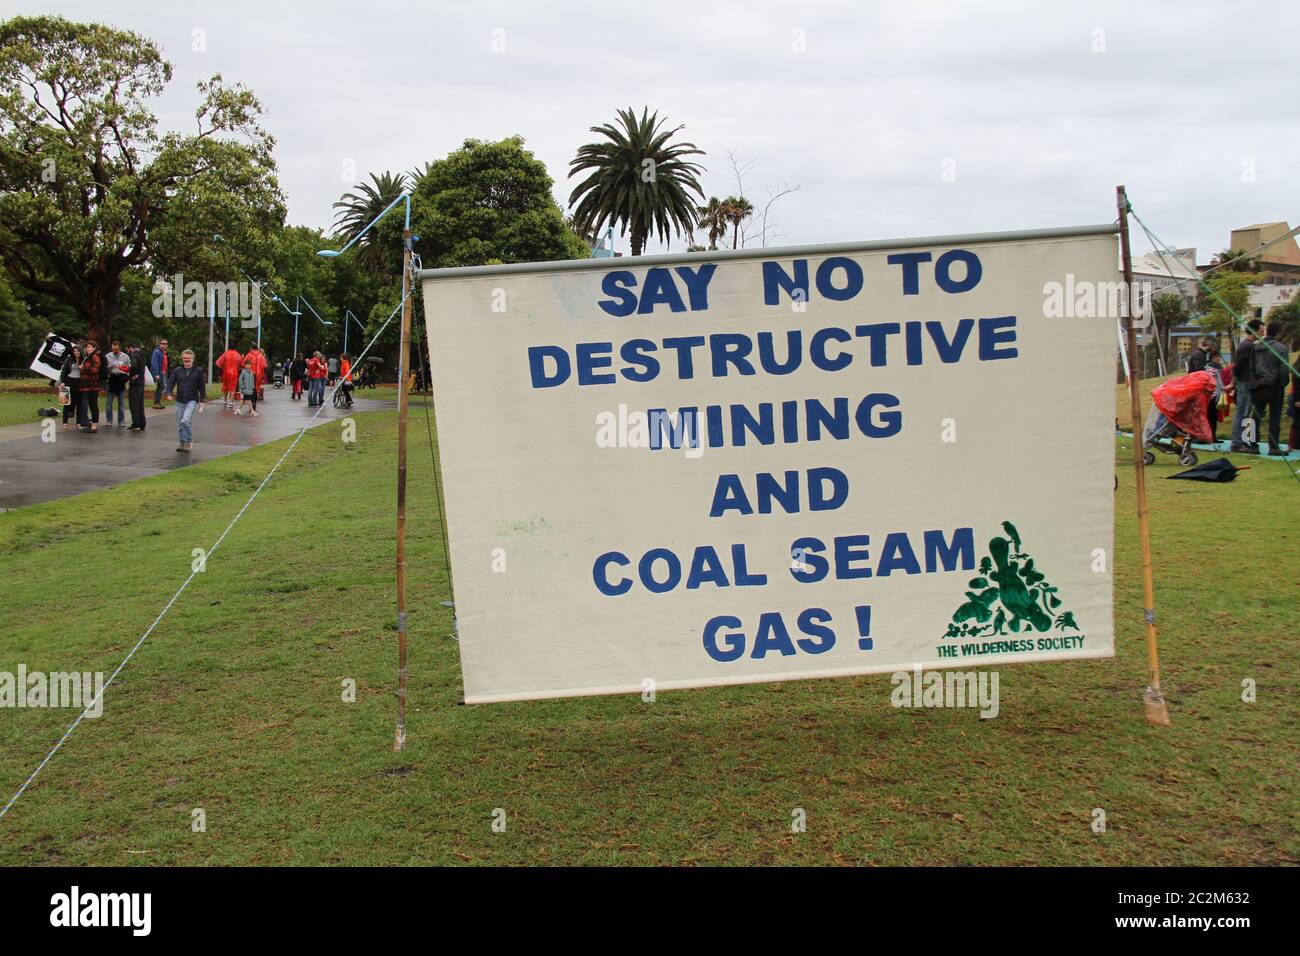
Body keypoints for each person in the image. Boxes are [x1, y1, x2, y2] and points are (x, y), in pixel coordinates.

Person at [1250, 321, 1291, 457]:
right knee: (1274, 418)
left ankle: (1252, 445)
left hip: (1258, 386)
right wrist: (1283, 383)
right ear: (1278, 333)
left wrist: (1254, 382)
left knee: (1256, 416)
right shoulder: (1281, 348)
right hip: (1275, 387)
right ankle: (1273, 447)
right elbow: (1284, 370)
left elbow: (1250, 367)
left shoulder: (1255, 347)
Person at [166, 349, 206, 453]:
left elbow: (201, 387)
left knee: (185, 420)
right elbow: (170, 383)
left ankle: (189, 440)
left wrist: (202, 400)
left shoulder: (198, 371)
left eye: (188, 358)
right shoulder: (177, 370)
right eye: (184, 358)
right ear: (182, 359)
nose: (186, 360)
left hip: (191, 400)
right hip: (180, 400)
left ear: (193, 359)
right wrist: (169, 393)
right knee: (180, 423)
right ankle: (182, 442)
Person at [1230, 320, 1262, 452]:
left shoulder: (1249, 346)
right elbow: (1238, 367)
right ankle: (1237, 443)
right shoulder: (1247, 347)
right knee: (1242, 413)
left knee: (1245, 413)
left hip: (1246, 382)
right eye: (1261, 331)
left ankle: (1241, 441)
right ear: (1253, 330)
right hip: (1244, 383)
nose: (1262, 334)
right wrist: (1237, 380)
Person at [102, 340, 131, 427]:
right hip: (111, 378)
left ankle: (121, 421)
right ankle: (109, 420)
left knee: (121, 402)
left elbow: (129, 369)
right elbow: (104, 369)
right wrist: (108, 368)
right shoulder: (107, 356)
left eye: (116, 348)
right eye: (113, 348)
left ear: (119, 347)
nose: (114, 349)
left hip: (121, 379)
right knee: (109, 402)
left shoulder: (125, 357)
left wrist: (126, 375)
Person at [77, 340, 102, 433]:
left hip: (92, 385)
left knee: (93, 404)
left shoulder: (95, 356)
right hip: (86, 385)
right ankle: (92, 424)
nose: (87, 348)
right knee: (91, 404)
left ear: (94, 348)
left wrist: (83, 368)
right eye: (87, 347)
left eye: (89, 347)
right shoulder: (87, 357)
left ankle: (94, 425)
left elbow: (95, 369)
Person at [59, 341, 82, 430]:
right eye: (75, 351)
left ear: (81, 352)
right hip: (69, 381)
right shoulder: (69, 359)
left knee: (78, 404)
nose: (76, 352)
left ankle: (78, 422)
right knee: (66, 403)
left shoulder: (84, 360)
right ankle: (65, 422)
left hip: (79, 382)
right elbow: (64, 371)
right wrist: (62, 381)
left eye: (78, 351)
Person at [127, 343, 148, 430]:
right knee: (140, 404)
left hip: (135, 382)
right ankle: (142, 423)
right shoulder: (142, 354)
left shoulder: (134, 355)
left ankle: (136, 423)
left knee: (133, 403)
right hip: (141, 381)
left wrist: (131, 372)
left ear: (130, 348)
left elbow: (133, 366)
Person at [217, 343, 243, 409]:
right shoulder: (238, 355)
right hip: (234, 373)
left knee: (225, 387)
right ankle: (231, 402)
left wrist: (222, 369)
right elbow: (241, 364)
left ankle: (225, 401)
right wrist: (238, 368)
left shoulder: (225, 354)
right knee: (233, 388)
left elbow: (218, 363)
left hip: (225, 372)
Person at [150, 339, 170, 408]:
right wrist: (156, 374)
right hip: (159, 373)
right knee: (162, 386)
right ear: (160, 344)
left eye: (166, 344)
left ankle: (157, 402)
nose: (165, 345)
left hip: (163, 372)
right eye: (163, 344)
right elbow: (154, 363)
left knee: (161, 386)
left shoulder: (163, 352)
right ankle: (156, 403)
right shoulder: (157, 352)